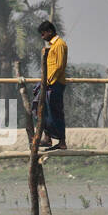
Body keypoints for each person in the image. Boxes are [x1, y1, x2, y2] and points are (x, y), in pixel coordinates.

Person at [36, 20, 68, 150]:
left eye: (43, 34)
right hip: (47, 83)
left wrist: (49, 81)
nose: (42, 37)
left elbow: (59, 65)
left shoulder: (59, 45)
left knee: (55, 112)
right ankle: (47, 137)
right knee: (43, 110)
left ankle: (61, 141)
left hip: (54, 84)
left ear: (50, 31)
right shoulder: (50, 46)